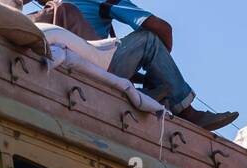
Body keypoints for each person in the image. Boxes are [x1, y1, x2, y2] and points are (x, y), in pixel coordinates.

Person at [30, 1, 236, 130]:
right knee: (149, 40)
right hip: (93, 62)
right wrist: (158, 67)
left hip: (71, 61)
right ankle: (187, 112)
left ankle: (153, 88)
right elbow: (162, 28)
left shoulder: (55, 7)